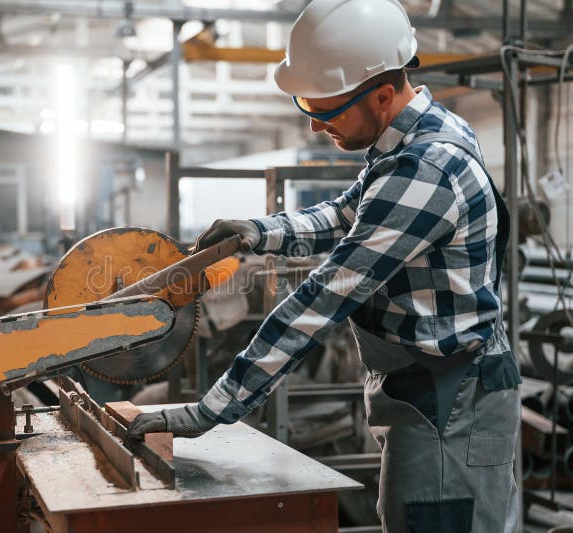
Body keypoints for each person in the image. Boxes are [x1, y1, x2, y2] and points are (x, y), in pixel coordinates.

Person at [126, 0, 521, 530]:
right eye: (306, 106)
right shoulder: (413, 138)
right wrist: (257, 232)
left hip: (450, 408)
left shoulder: (426, 169)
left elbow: (321, 301)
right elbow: (346, 213)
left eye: (326, 111)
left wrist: (209, 411)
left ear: (382, 94)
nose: (314, 126)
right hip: (427, 393)